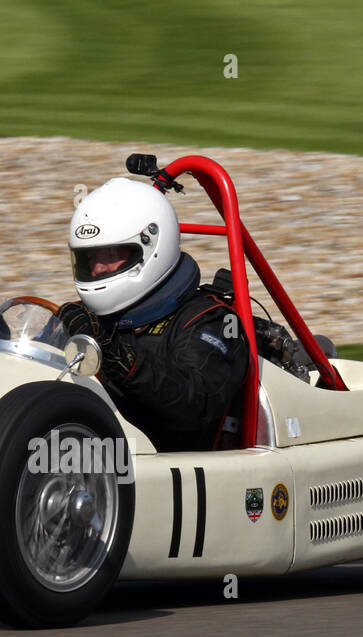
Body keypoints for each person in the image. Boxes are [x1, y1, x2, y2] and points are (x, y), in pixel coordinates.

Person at [56, 177, 250, 452]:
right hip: (95, 458)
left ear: (150, 249)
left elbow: (194, 403)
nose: (97, 268)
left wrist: (120, 360)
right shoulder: (94, 319)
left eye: (110, 254)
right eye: (89, 258)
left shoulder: (211, 320)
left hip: (174, 465)